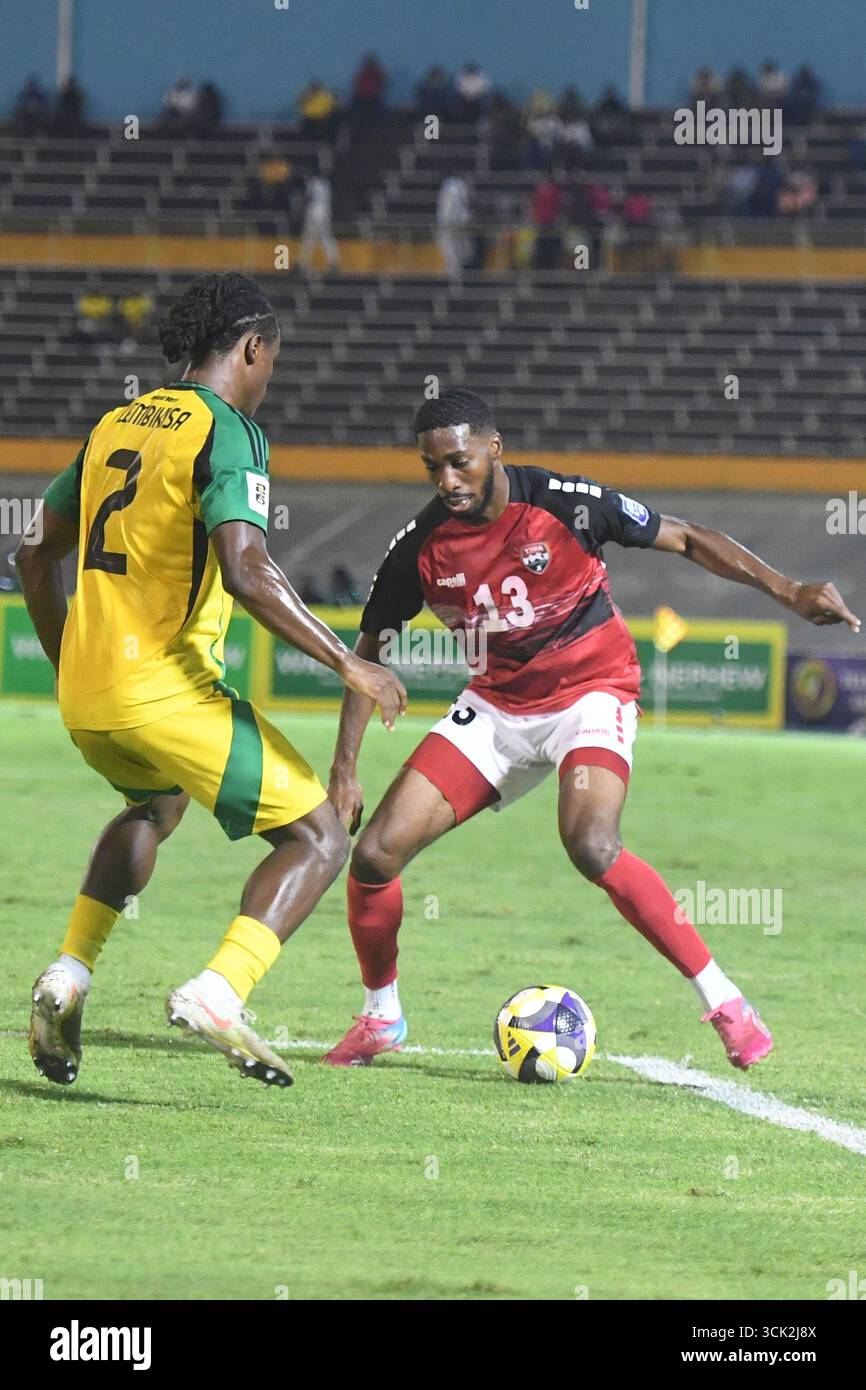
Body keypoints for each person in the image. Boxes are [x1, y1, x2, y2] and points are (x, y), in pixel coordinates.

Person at [322, 388, 860, 1069]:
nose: (447, 481)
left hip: (592, 692)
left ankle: (727, 1002)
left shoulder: (565, 501)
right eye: (433, 468)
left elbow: (687, 536)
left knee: (591, 842)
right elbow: (366, 653)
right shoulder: (421, 548)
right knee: (374, 856)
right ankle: (380, 1018)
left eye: (459, 462)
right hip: (496, 707)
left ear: (494, 448)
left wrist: (787, 590)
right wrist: (344, 768)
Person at [17, 272, 405, 1091]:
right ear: (252, 349)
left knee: (154, 807)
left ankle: (70, 973)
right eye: (273, 360)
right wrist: (348, 662)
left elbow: (29, 553)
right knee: (320, 837)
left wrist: (69, 662)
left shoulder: (114, 422)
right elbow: (247, 569)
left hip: (89, 700)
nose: (271, 377)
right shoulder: (227, 431)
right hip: (164, 691)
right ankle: (219, 991)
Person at [299, 173, 340, 272]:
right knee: (325, 237)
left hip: (314, 213)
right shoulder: (326, 183)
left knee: (309, 237)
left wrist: (301, 209)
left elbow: (309, 198)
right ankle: (333, 261)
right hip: (325, 212)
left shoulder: (313, 182)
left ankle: (303, 262)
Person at [436, 175, 471, 277]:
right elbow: (446, 214)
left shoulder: (458, 187)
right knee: (453, 262)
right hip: (447, 228)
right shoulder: (451, 188)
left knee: (462, 257)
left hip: (458, 228)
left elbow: (462, 211)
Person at [351, 54, 387, 121]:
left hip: (374, 98)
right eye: (368, 64)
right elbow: (357, 85)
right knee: (354, 106)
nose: (370, 65)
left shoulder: (377, 74)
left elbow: (384, 84)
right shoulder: (362, 74)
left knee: (382, 109)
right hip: (362, 98)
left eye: (371, 63)